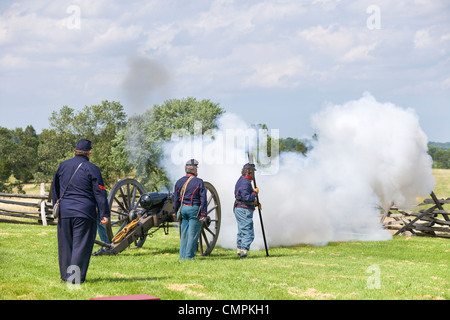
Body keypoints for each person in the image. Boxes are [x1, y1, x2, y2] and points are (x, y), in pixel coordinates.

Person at [51, 139, 110, 283]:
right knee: (81, 246)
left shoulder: (63, 166)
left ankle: (66, 278)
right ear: (89, 152)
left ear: (75, 151)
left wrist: (56, 210)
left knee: (65, 246)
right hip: (84, 213)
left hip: (65, 212)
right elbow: (100, 192)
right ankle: (74, 279)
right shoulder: (92, 168)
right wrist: (104, 213)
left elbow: (54, 189)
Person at [174, 159, 207, 260]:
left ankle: (182, 256)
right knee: (193, 234)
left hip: (183, 209)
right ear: (194, 170)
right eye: (196, 168)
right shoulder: (199, 182)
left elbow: (176, 199)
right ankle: (189, 257)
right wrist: (203, 214)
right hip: (194, 209)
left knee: (184, 234)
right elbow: (203, 199)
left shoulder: (179, 182)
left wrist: (176, 212)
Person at [234, 163, 258, 258]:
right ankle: (244, 251)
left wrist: (255, 202)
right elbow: (246, 197)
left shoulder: (242, 180)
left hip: (240, 208)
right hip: (244, 209)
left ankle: (240, 250)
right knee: (248, 231)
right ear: (249, 172)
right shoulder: (245, 182)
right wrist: (255, 193)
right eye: (253, 173)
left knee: (241, 230)